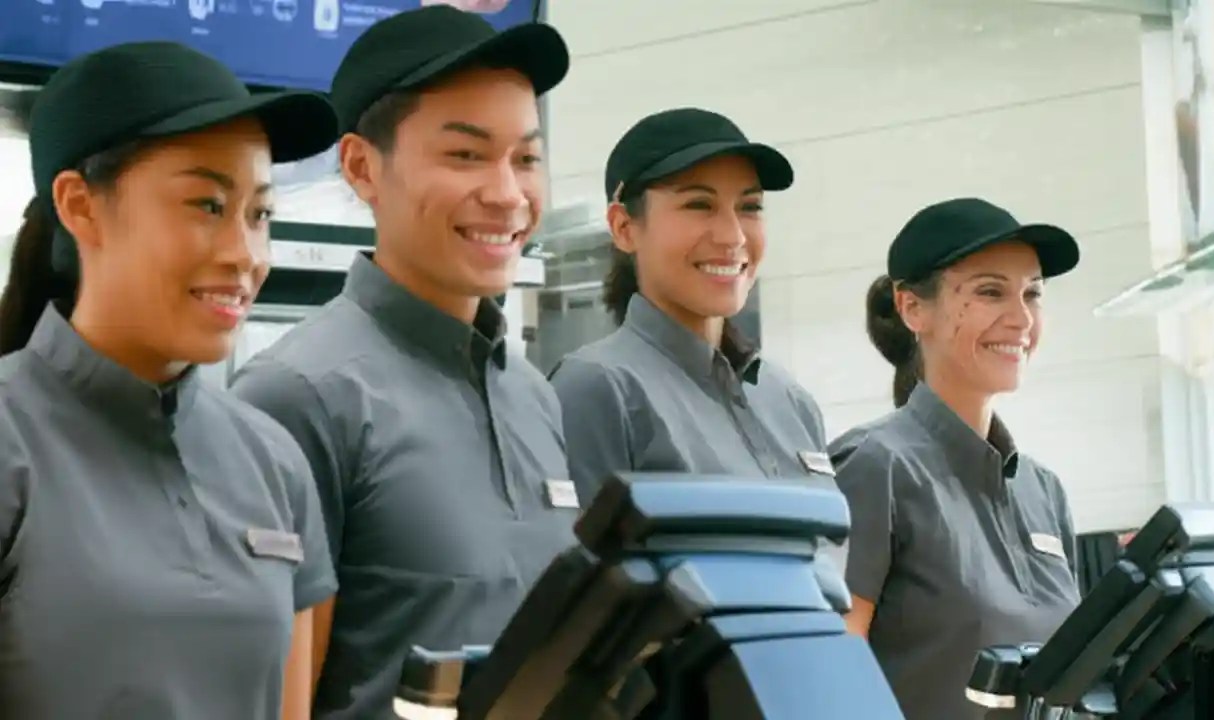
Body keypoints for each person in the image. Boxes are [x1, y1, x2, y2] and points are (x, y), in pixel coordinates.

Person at [228, 7, 574, 718]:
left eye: (527, 157)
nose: (508, 193)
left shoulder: (534, 395)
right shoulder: (296, 397)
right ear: (361, 167)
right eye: (466, 155)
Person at [0, 41, 339, 719]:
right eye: (207, 206)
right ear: (81, 206)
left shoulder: (274, 464)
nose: (245, 255)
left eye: (259, 214)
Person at [828, 197, 1084, 719]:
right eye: (990, 292)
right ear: (912, 308)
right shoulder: (875, 466)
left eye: (1032, 293)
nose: (1021, 319)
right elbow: (832, 676)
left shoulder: (1043, 490)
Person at [548, 107, 833, 508]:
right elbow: (577, 566)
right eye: (699, 205)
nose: (733, 236)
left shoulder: (791, 403)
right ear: (624, 227)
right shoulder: (598, 390)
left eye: (749, 207)